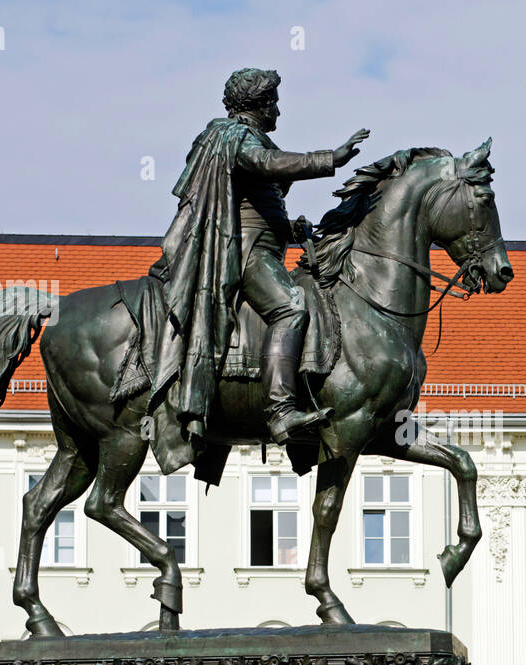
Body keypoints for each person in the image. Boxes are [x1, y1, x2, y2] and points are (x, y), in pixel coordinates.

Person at [150, 67, 369, 446]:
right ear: (261, 103)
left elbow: (261, 202)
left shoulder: (249, 138)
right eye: (275, 103)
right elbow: (267, 164)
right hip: (244, 251)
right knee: (291, 307)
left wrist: (291, 229)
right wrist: (329, 158)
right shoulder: (233, 136)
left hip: (262, 246)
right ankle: (280, 411)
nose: (279, 113)